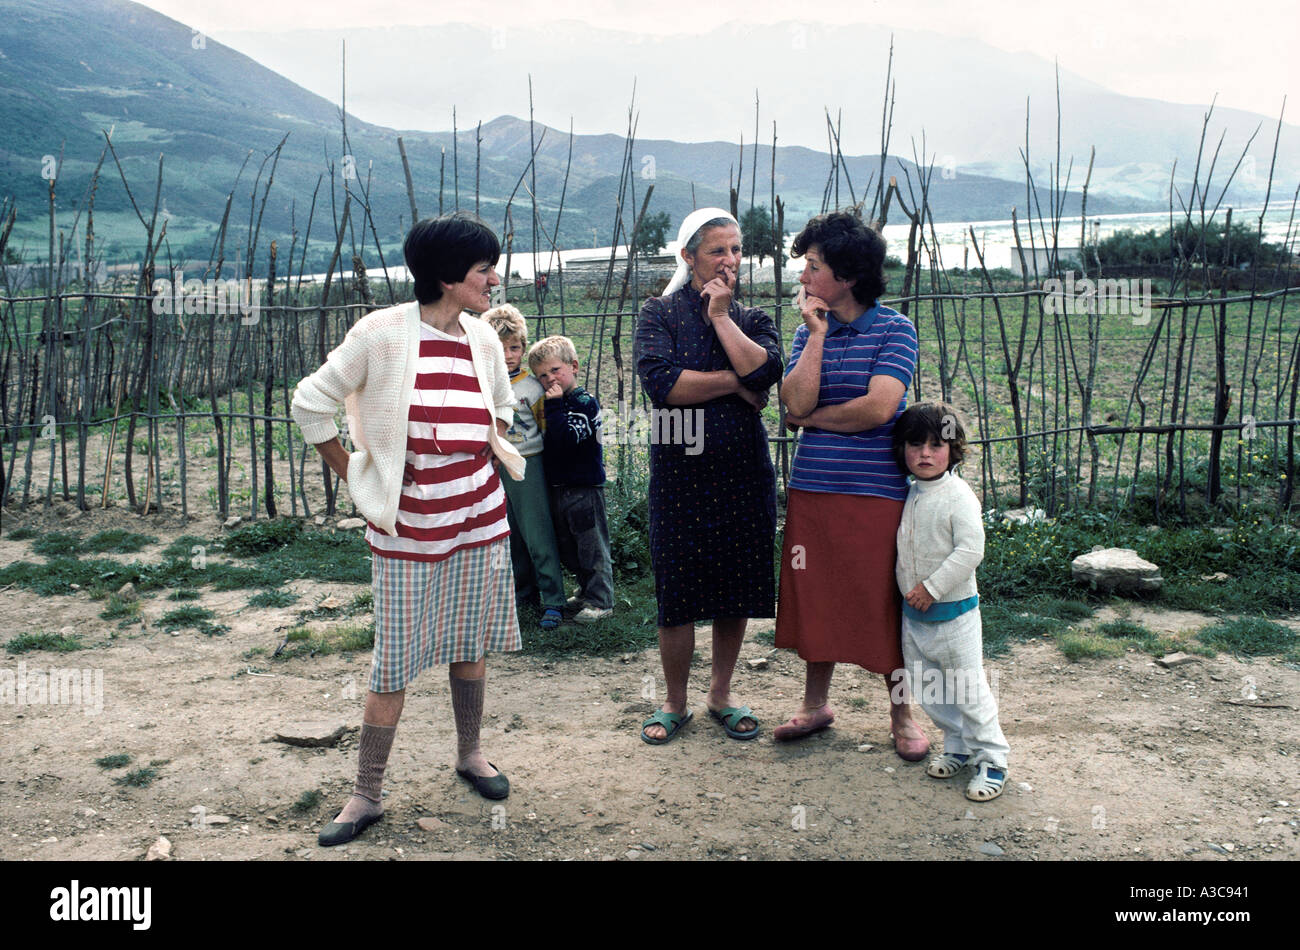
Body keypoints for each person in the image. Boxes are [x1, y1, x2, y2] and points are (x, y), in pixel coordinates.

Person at [290, 212, 526, 847]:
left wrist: (486, 448)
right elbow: (309, 402)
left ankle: (470, 754)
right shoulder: (381, 334)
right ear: (447, 276)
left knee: (469, 644)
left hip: (480, 519)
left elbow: (501, 404)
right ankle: (366, 793)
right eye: (484, 269)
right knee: (392, 663)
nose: (494, 280)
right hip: (408, 529)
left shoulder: (482, 339)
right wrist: (356, 474)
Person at [775, 209, 930, 761]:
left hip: (876, 494)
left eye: (813, 266)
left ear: (848, 276)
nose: (803, 276)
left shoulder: (895, 330)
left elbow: (879, 407)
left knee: (882, 602)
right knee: (816, 594)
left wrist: (812, 420)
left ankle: (902, 714)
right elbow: (792, 401)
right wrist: (817, 337)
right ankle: (815, 704)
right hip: (814, 489)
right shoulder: (806, 331)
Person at [634, 208, 783, 744]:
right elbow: (664, 385)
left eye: (736, 249)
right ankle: (675, 702)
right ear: (688, 256)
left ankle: (720, 694)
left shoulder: (751, 317)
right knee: (677, 589)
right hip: (679, 470)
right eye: (718, 250)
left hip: (742, 469)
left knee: (735, 586)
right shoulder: (658, 313)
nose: (729, 260)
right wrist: (734, 382)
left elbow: (766, 372)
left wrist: (721, 318)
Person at [892, 402, 1009, 801]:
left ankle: (992, 759)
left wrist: (932, 588)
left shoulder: (958, 496)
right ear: (902, 449)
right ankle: (957, 745)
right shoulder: (909, 493)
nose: (925, 454)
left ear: (953, 450)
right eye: (916, 444)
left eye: (936, 445)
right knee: (930, 690)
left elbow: (971, 550)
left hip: (954, 617)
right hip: (914, 618)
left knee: (968, 690)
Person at [484, 304, 567, 632]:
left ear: (523, 347)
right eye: (500, 348)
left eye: (515, 348)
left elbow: (547, 429)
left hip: (528, 464)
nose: (508, 356)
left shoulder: (533, 388)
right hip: (495, 466)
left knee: (537, 532)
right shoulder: (483, 386)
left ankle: (554, 599)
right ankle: (522, 592)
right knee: (509, 532)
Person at [529, 335, 615, 624]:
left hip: (583, 488)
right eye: (542, 375)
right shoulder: (555, 403)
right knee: (570, 547)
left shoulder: (583, 402)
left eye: (555, 370)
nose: (549, 379)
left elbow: (567, 439)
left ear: (574, 366)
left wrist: (553, 407)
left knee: (592, 546)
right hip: (559, 487)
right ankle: (585, 591)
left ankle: (601, 600)